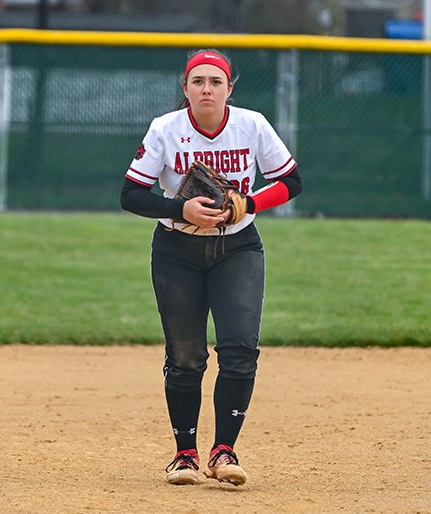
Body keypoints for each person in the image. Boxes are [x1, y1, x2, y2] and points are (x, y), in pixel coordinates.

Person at [120, 49, 303, 486]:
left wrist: (250, 202)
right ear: (185, 89)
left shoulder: (252, 125)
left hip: (237, 249)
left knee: (239, 348)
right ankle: (185, 454)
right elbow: (131, 193)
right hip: (176, 251)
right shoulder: (166, 129)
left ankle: (224, 452)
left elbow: (291, 181)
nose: (206, 89)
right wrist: (181, 207)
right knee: (185, 357)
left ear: (228, 89)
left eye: (215, 82)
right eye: (197, 81)